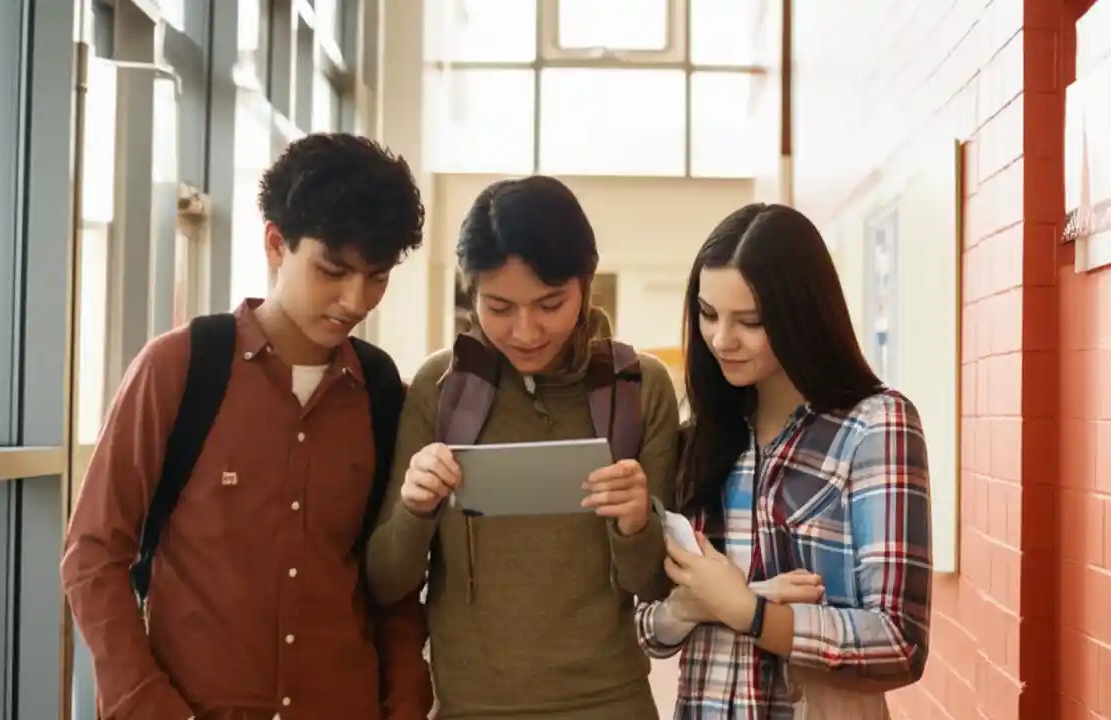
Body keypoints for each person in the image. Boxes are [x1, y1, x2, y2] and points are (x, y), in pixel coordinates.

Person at [61, 133, 433, 720]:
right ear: (275, 242)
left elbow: (392, 585)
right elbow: (92, 555)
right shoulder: (179, 368)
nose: (355, 300)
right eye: (332, 270)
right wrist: (144, 703)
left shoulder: (383, 394)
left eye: (377, 276)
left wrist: (407, 703)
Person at [365, 176, 681, 719]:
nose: (526, 331)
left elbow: (653, 583)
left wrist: (636, 522)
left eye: (550, 304)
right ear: (470, 293)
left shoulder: (638, 386)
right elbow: (386, 580)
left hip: (610, 703)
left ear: (585, 285)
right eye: (499, 306)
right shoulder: (439, 388)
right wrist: (415, 509)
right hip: (469, 707)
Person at [635, 203, 932, 719]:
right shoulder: (698, 439)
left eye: (749, 321)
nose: (721, 339)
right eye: (707, 314)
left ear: (801, 315)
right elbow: (646, 631)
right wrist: (696, 602)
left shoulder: (875, 426)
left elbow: (899, 644)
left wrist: (747, 610)